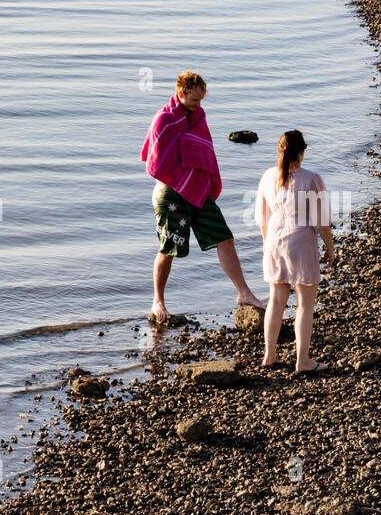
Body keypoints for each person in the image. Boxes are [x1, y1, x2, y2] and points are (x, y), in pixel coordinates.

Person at [140, 71, 265, 323]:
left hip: (198, 189)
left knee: (225, 238)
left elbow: (205, 151)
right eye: (195, 100)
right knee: (168, 249)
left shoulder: (199, 117)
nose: (199, 105)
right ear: (181, 93)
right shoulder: (163, 119)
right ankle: (158, 302)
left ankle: (244, 293)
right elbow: (158, 160)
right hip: (171, 193)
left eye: (201, 100)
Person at [254, 129, 334, 373]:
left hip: (275, 241)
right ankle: (303, 361)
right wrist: (331, 249)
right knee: (305, 305)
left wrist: (268, 245)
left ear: (278, 151)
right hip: (301, 241)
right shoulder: (311, 178)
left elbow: (262, 219)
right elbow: (322, 221)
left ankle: (269, 355)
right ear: (301, 152)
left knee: (275, 301)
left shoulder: (268, 177)